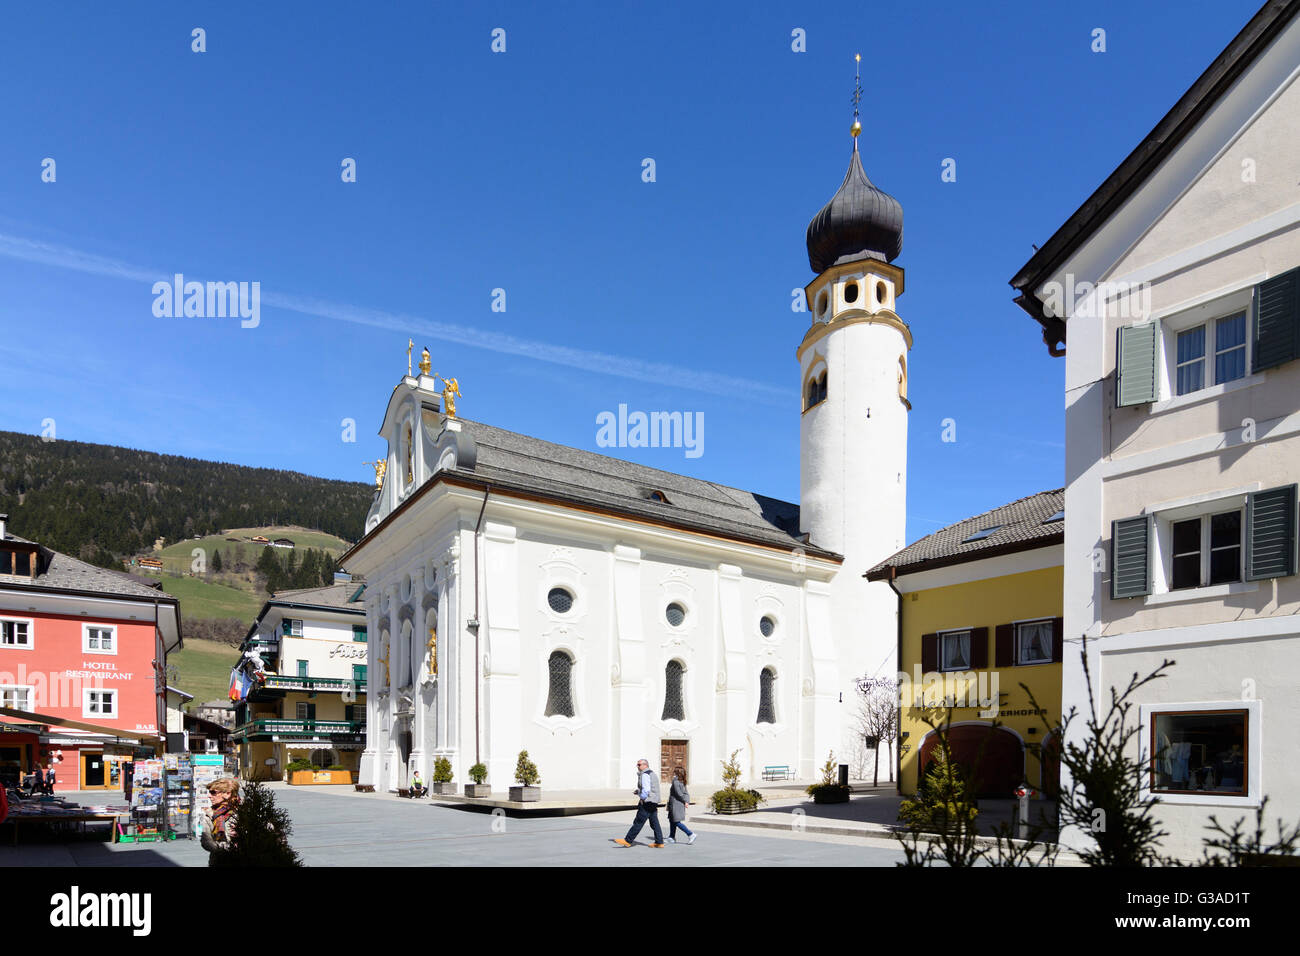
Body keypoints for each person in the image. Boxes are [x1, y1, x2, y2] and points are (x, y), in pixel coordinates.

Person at [614, 758, 663, 848]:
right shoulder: (652, 773)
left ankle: (628, 840)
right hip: (653, 801)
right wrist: (639, 791)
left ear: (645, 765)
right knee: (654, 823)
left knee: (638, 821)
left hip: (647, 802)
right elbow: (651, 788)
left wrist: (642, 798)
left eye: (639, 764)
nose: (637, 766)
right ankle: (659, 842)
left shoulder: (645, 775)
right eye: (637, 764)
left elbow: (646, 790)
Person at [199, 776, 239, 865]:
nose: (209, 796)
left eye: (213, 793)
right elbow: (206, 842)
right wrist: (227, 848)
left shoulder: (245, 810)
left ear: (227, 793)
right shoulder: (209, 815)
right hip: (219, 862)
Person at [666, 766, 696, 845]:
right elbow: (686, 793)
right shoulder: (682, 781)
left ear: (676, 773)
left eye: (674, 772)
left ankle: (690, 834)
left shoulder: (675, 781)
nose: (673, 773)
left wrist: (685, 801)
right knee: (672, 820)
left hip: (675, 804)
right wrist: (686, 801)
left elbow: (678, 793)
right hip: (678, 803)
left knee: (676, 821)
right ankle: (671, 837)